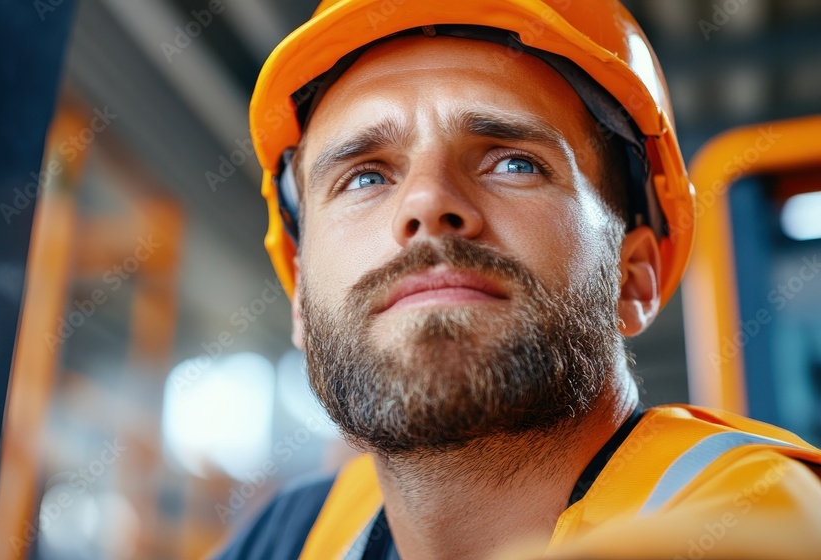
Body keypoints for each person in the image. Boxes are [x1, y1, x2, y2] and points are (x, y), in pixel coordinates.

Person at [217, 1, 821, 558]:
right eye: (365, 177)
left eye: (513, 163)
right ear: (298, 296)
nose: (427, 202)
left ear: (632, 277)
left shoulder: (770, 509)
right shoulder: (292, 534)